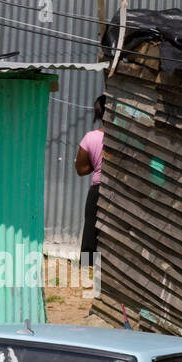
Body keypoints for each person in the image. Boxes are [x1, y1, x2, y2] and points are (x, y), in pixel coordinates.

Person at [75, 95, 106, 257]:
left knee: (90, 229)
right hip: (122, 189)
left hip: (98, 188)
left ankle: (88, 268)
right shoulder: (125, 137)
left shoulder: (91, 137)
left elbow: (81, 169)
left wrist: (96, 163)